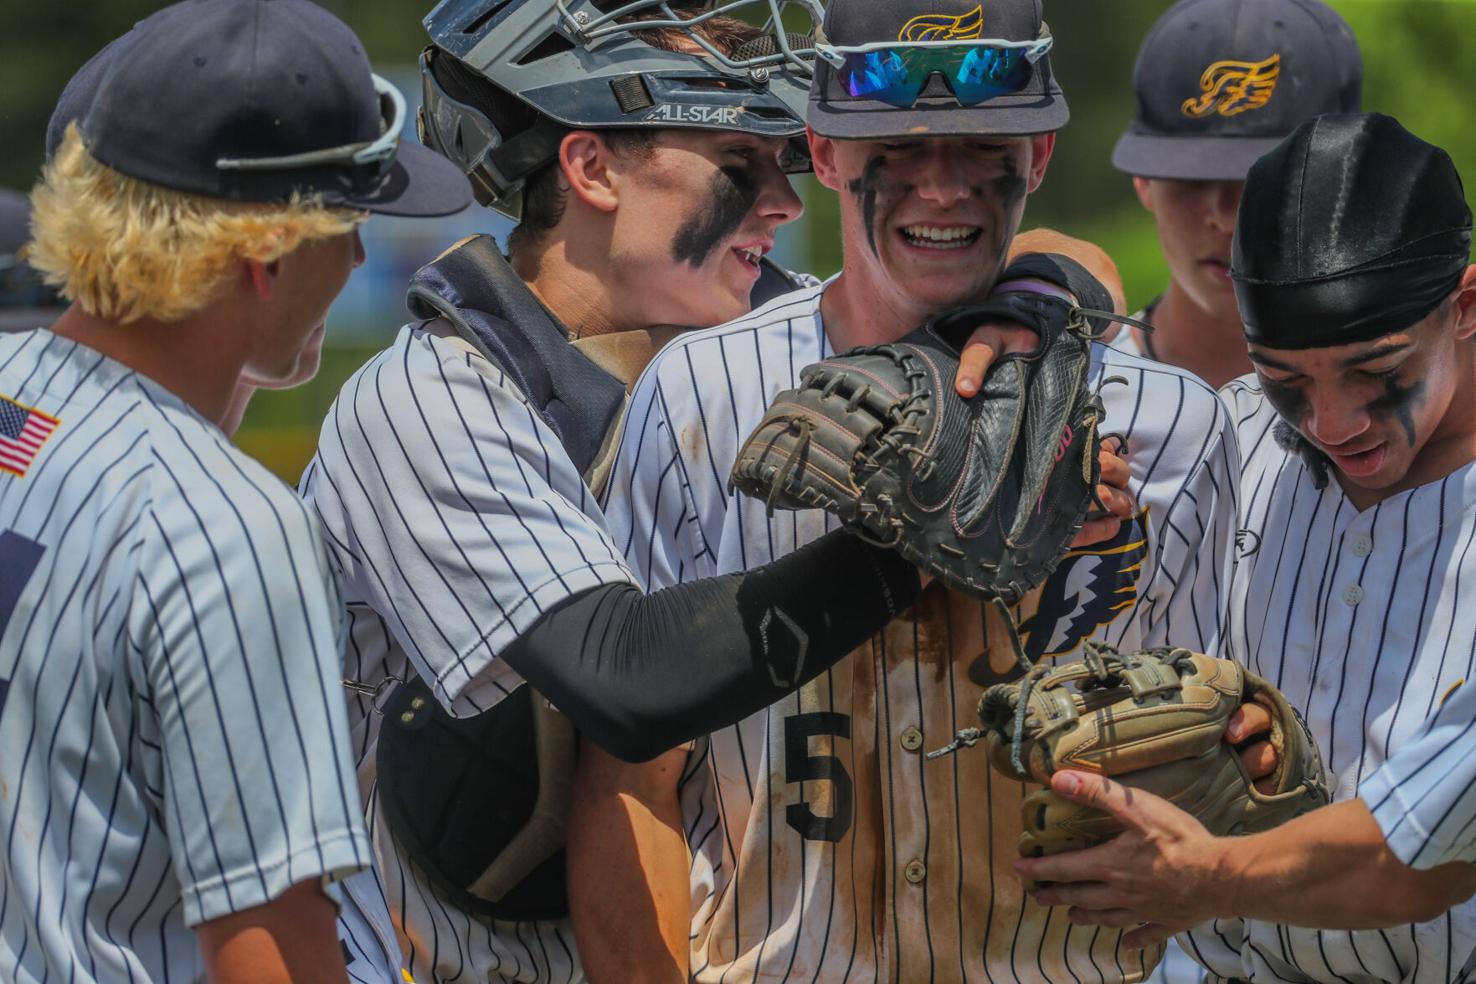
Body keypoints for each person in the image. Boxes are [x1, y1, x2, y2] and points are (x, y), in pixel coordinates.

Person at [298, 1, 1037, 980]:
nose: (782, 200)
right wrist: (933, 535)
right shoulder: (426, 400)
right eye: (740, 163)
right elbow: (625, 675)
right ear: (591, 167)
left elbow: (998, 292)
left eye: (787, 155)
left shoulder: (753, 327)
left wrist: (1040, 296)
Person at [585, 0, 1244, 978]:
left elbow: (1225, 752)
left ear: (1042, 153)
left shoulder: (1165, 422)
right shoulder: (701, 395)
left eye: (982, 144)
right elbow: (628, 774)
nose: (942, 185)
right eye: (895, 144)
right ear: (824, 148)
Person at [0, 0, 472, 981]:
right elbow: (272, 955)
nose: (354, 257)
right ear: (264, 251)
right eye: (348, 221)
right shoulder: (224, 527)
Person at [1018, 112, 1476, 983]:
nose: (1334, 422)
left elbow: (1412, 860)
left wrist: (1203, 877)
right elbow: (1044, 248)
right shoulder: (1230, 436)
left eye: (1378, 373)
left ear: (1464, 306)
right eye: (1288, 379)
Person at [1109, 0, 1361, 388]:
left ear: (1352, 177)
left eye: (1270, 179)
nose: (1227, 218)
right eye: (1191, 179)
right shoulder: (1075, 388)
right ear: (1143, 181)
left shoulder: (1437, 397)